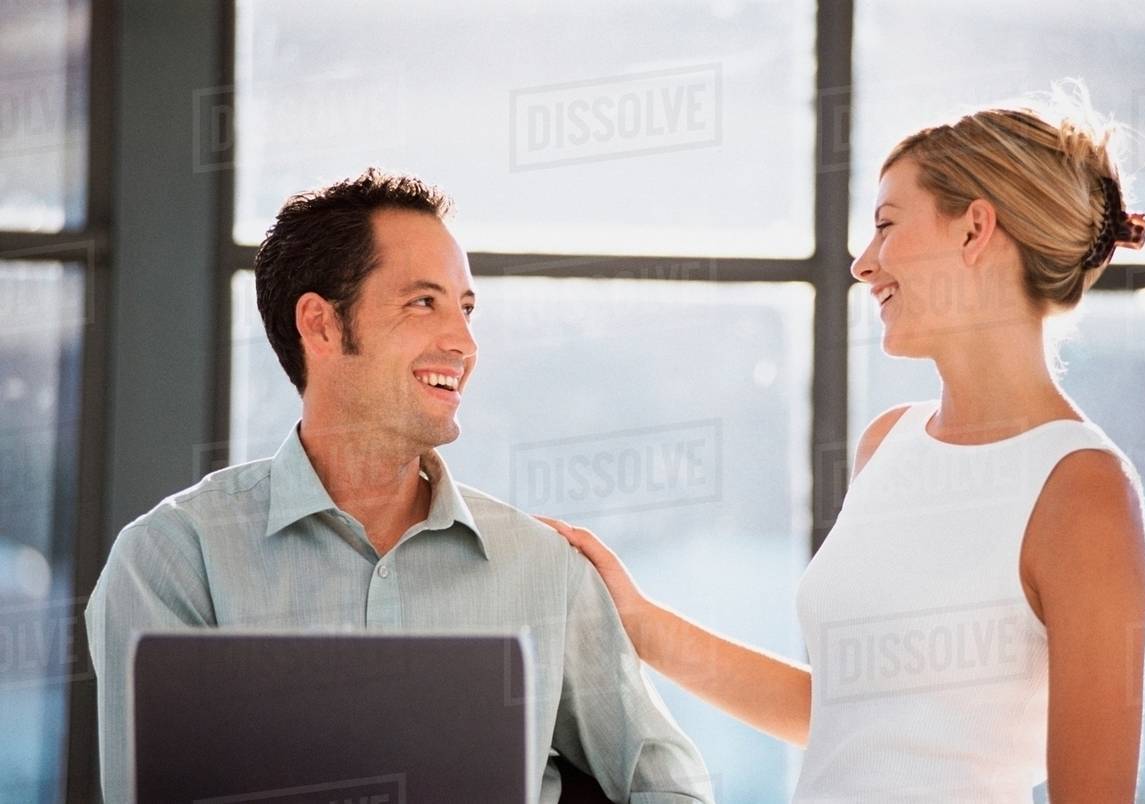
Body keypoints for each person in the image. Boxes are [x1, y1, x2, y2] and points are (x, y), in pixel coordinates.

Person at [540, 88, 1145, 803]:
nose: (863, 264)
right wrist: (642, 624)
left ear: (975, 229)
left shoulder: (1082, 487)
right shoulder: (888, 444)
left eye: (887, 225)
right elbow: (841, 717)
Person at [84, 169, 714, 804]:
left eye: (466, 309)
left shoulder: (546, 570)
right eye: (424, 302)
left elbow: (669, 790)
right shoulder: (173, 560)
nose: (464, 343)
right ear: (322, 325)